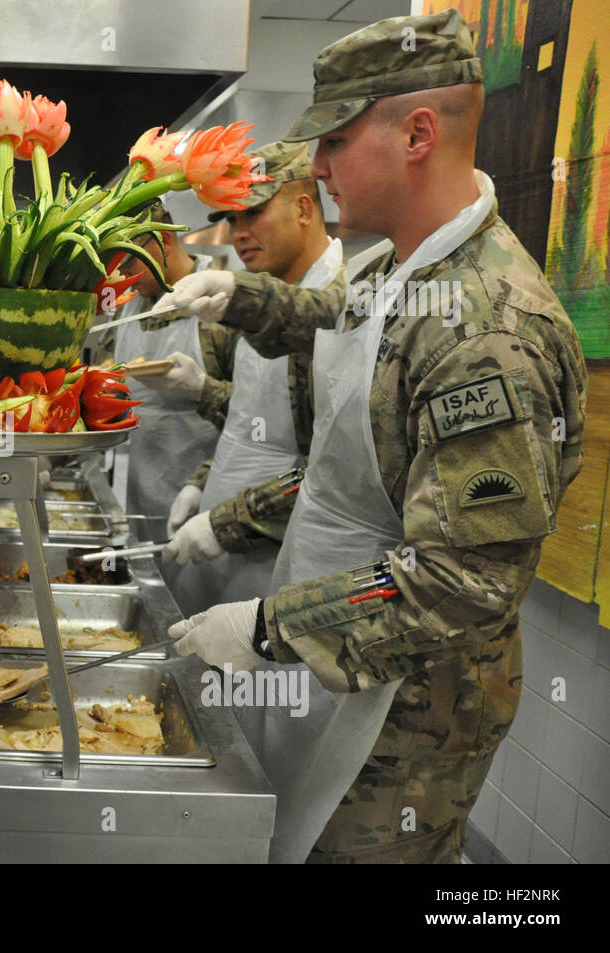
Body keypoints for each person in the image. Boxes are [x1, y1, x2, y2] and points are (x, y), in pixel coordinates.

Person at [162, 10, 587, 863]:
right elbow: (334, 320)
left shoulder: (485, 331)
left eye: (335, 139)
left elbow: (464, 581)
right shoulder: (400, 270)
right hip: (339, 658)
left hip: (412, 712)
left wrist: (267, 629)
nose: (314, 169)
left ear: (418, 134)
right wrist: (238, 297)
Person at [164, 141, 345, 615]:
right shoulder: (262, 302)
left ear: (304, 208)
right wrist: (204, 482)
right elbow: (250, 417)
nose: (239, 234)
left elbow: (337, 468)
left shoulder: (341, 309)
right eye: (233, 220)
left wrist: (225, 524)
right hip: (224, 556)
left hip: (284, 567)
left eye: (254, 214)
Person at [103, 203, 225, 562]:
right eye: (117, 267)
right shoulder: (130, 307)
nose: (123, 275)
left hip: (204, 512)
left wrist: (202, 388)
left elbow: (255, 419)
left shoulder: (218, 307)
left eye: (130, 262)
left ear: (166, 240)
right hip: (141, 500)